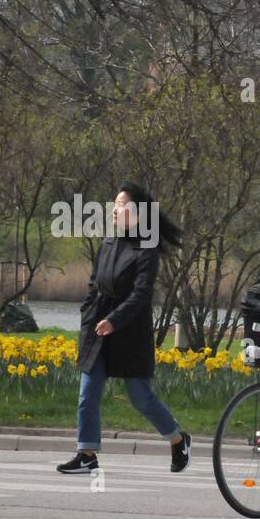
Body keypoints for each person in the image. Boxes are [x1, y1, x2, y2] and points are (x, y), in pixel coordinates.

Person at [57, 183, 191, 474]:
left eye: (121, 205)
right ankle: (87, 454)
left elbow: (140, 296)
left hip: (129, 334)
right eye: (114, 204)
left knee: (140, 398)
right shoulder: (108, 243)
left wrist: (114, 320)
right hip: (98, 330)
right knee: (87, 394)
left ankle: (178, 439)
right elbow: (95, 285)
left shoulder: (147, 249)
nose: (114, 210)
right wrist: (88, 315)